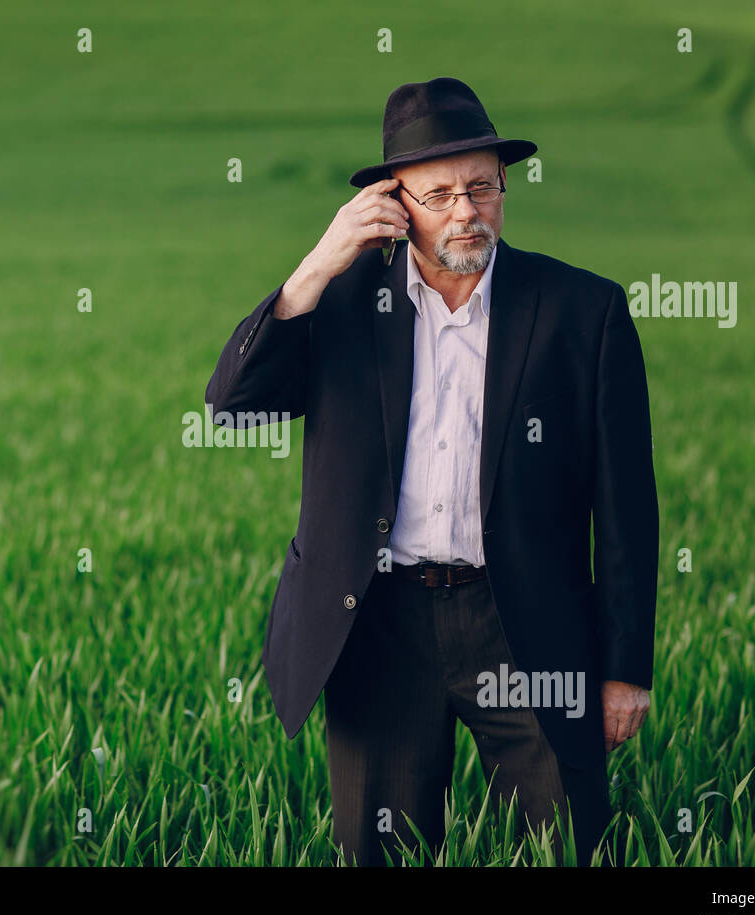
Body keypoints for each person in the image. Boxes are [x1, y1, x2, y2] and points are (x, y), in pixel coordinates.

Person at [204, 77, 658, 866]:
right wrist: (314, 266)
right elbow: (234, 404)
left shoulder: (583, 311)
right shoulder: (339, 304)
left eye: (483, 187)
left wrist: (624, 671)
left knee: (566, 848)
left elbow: (626, 508)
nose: (466, 210)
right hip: (377, 622)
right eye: (440, 192)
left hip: (525, 628)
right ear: (395, 202)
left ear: (505, 187)